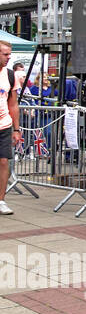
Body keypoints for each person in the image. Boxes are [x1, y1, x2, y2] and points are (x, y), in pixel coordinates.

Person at [0, 42, 18, 214]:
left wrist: (17, 129)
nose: (8, 57)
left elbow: (13, 104)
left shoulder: (10, 75)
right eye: (5, 54)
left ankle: (1, 200)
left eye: (9, 54)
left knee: (4, 162)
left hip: (4, 125)